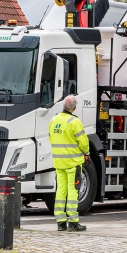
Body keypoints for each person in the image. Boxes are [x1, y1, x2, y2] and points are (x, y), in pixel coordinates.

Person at [49, 94, 89, 232]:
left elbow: (51, 138)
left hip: (59, 162)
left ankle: (60, 222)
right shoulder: (74, 122)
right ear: (75, 107)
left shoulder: (53, 120)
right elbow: (83, 143)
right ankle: (73, 222)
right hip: (73, 163)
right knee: (73, 191)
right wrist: (87, 153)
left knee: (60, 190)